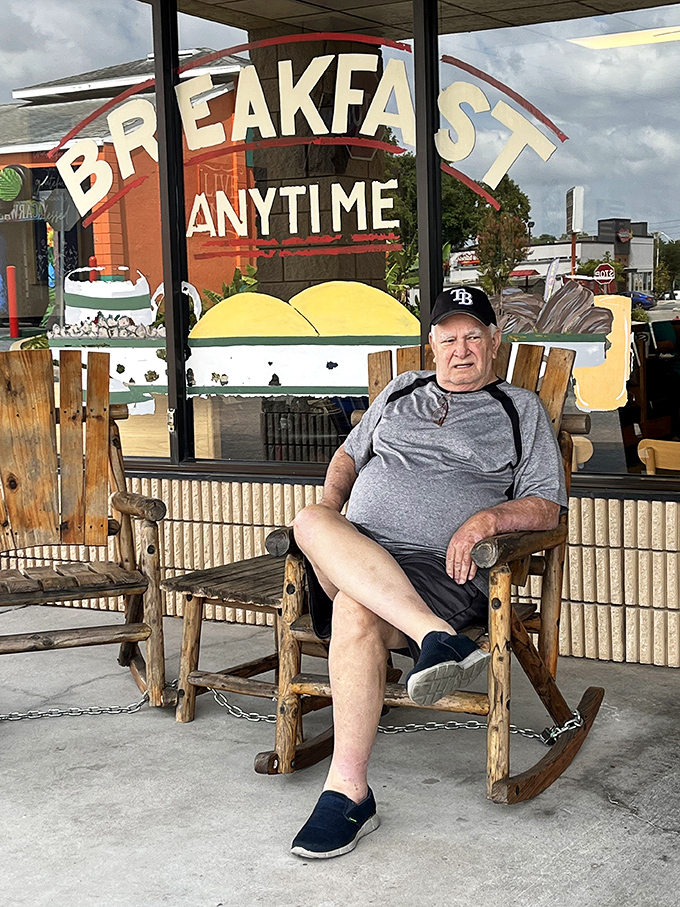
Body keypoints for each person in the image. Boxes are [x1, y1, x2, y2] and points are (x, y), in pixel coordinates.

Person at [289, 286, 568, 859]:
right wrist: (339, 510)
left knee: (353, 607)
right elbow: (347, 455)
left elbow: (547, 506)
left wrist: (485, 520)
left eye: (473, 337)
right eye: (448, 338)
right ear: (432, 345)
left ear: (494, 342)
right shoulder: (400, 391)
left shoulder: (521, 409)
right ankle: (432, 639)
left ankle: (348, 791)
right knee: (313, 520)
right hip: (364, 552)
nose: (460, 349)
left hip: (443, 569)